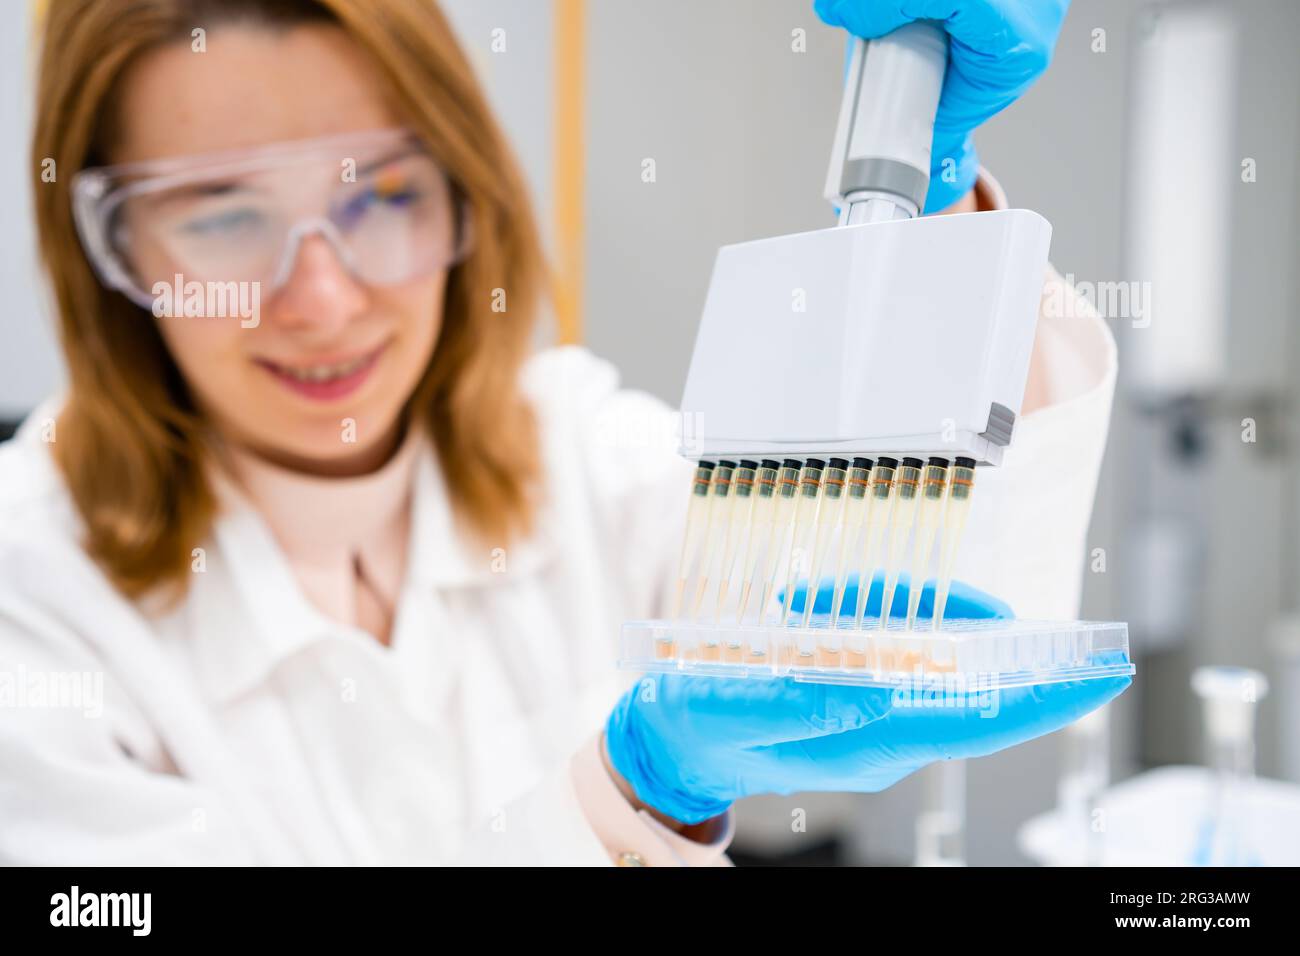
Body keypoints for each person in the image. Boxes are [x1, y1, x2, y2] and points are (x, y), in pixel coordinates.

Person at [0, 0, 1124, 865]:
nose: (325, 299)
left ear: (462, 194)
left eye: (383, 193)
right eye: (225, 213)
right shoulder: (32, 591)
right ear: (112, 253)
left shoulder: (573, 449)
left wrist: (937, 236)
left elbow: (950, 590)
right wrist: (622, 799)